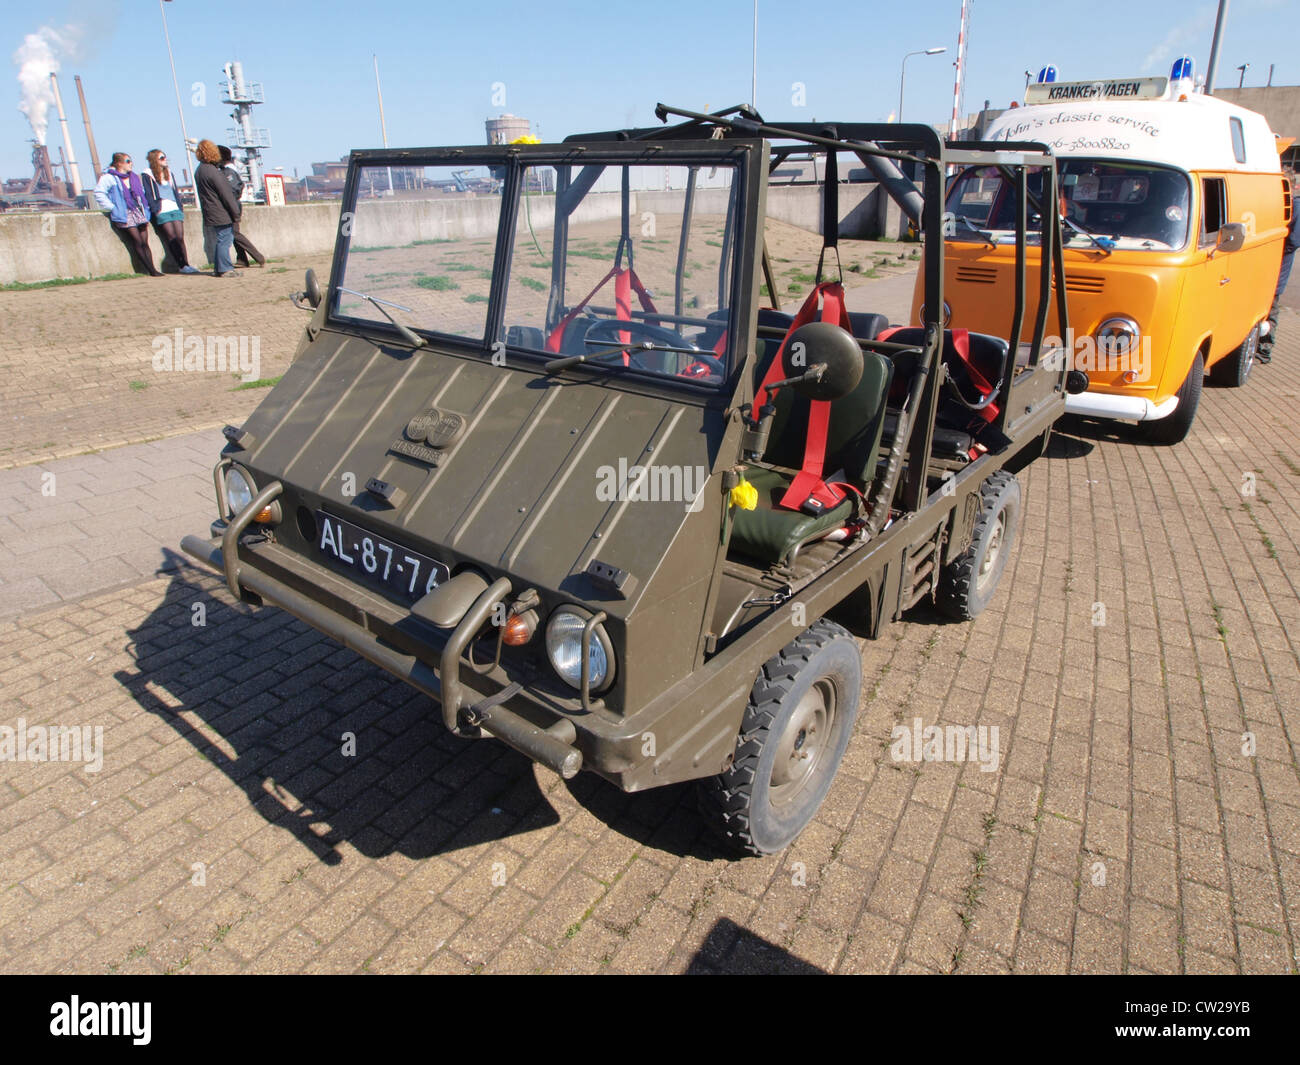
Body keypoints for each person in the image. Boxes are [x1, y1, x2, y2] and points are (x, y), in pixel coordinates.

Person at [92, 152, 162, 276]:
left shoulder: (133, 177)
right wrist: (113, 207)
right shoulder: (109, 177)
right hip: (125, 213)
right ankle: (150, 270)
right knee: (137, 241)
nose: (131, 164)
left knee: (145, 242)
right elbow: (99, 192)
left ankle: (153, 268)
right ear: (119, 163)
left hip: (139, 211)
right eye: (128, 161)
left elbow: (142, 192)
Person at [1257, 172, 1298, 364]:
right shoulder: (1271, 205)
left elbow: (1294, 241)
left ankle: (1265, 348)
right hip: (1261, 271)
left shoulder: (1295, 207)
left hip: (1277, 272)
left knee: (1271, 308)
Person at [141, 149, 198, 274]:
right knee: (171, 237)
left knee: (180, 237)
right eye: (162, 158)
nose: (165, 160)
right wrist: (156, 209)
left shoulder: (169, 173)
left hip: (174, 207)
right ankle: (181, 265)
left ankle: (186, 264)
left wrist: (179, 206)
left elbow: (175, 190)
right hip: (162, 209)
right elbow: (149, 194)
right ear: (154, 160)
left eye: (165, 157)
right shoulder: (147, 175)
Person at [194, 139, 241, 277]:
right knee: (224, 239)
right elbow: (226, 194)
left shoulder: (200, 170)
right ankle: (225, 269)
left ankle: (219, 268)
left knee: (221, 239)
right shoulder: (213, 171)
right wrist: (235, 212)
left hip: (210, 210)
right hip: (220, 211)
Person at [219, 144, 265, 267]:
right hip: (232, 205)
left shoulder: (228, 172)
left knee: (234, 233)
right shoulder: (228, 171)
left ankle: (258, 257)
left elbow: (234, 190)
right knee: (233, 232)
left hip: (232, 206)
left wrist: (229, 203)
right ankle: (242, 259)